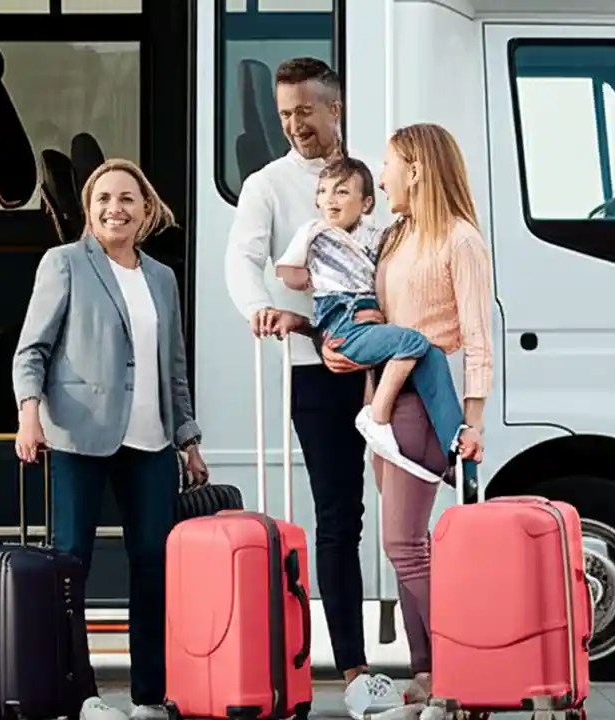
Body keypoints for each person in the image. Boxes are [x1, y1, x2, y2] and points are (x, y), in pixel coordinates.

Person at [223, 57, 403, 720]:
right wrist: (256, 311)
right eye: (286, 115)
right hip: (314, 368)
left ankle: (436, 661)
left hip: (387, 365)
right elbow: (243, 257)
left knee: (404, 513)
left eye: (306, 111)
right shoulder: (269, 185)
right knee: (338, 515)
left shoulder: (376, 178)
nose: (296, 125)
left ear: (336, 110)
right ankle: (354, 668)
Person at [12, 158, 210, 720]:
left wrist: (189, 438)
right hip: (78, 436)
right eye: (102, 199)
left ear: (146, 209)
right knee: (70, 565)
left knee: (152, 565)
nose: (113, 208)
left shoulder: (162, 278)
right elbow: (32, 351)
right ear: (88, 209)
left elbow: (173, 367)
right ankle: (80, 695)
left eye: (126, 198)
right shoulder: (66, 264)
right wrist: (30, 415)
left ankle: (150, 695)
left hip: (151, 442)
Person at [323, 123, 493, 706]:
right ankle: (428, 672)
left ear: (416, 170)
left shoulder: (461, 240)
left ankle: (464, 660)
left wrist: (472, 421)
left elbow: (476, 338)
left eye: (390, 164)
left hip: (423, 402)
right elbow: (370, 311)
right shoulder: (394, 238)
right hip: (382, 401)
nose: (383, 175)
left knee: (401, 543)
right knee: (409, 544)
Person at [273, 157, 469, 481]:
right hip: (342, 321)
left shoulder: (375, 236)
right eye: (323, 192)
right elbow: (286, 270)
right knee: (414, 341)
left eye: (341, 192)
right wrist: (308, 279)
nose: (330, 199)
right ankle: (376, 416)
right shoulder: (314, 232)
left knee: (428, 351)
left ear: (365, 204)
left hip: (368, 319)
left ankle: (454, 451)